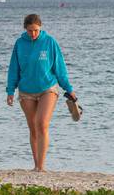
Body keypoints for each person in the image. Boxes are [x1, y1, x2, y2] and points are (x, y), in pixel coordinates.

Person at [6, 14, 76, 172]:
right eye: (30, 31)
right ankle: (36, 165)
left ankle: (41, 167)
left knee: (42, 123)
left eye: (36, 30)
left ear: (41, 28)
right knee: (33, 127)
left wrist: (69, 89)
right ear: (25, 29)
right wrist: (10, 90)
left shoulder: (50, 42)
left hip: (47, 89)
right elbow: (13, 69)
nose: (33, 34)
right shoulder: (19, 44)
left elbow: (60, 69)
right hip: (26, 91)